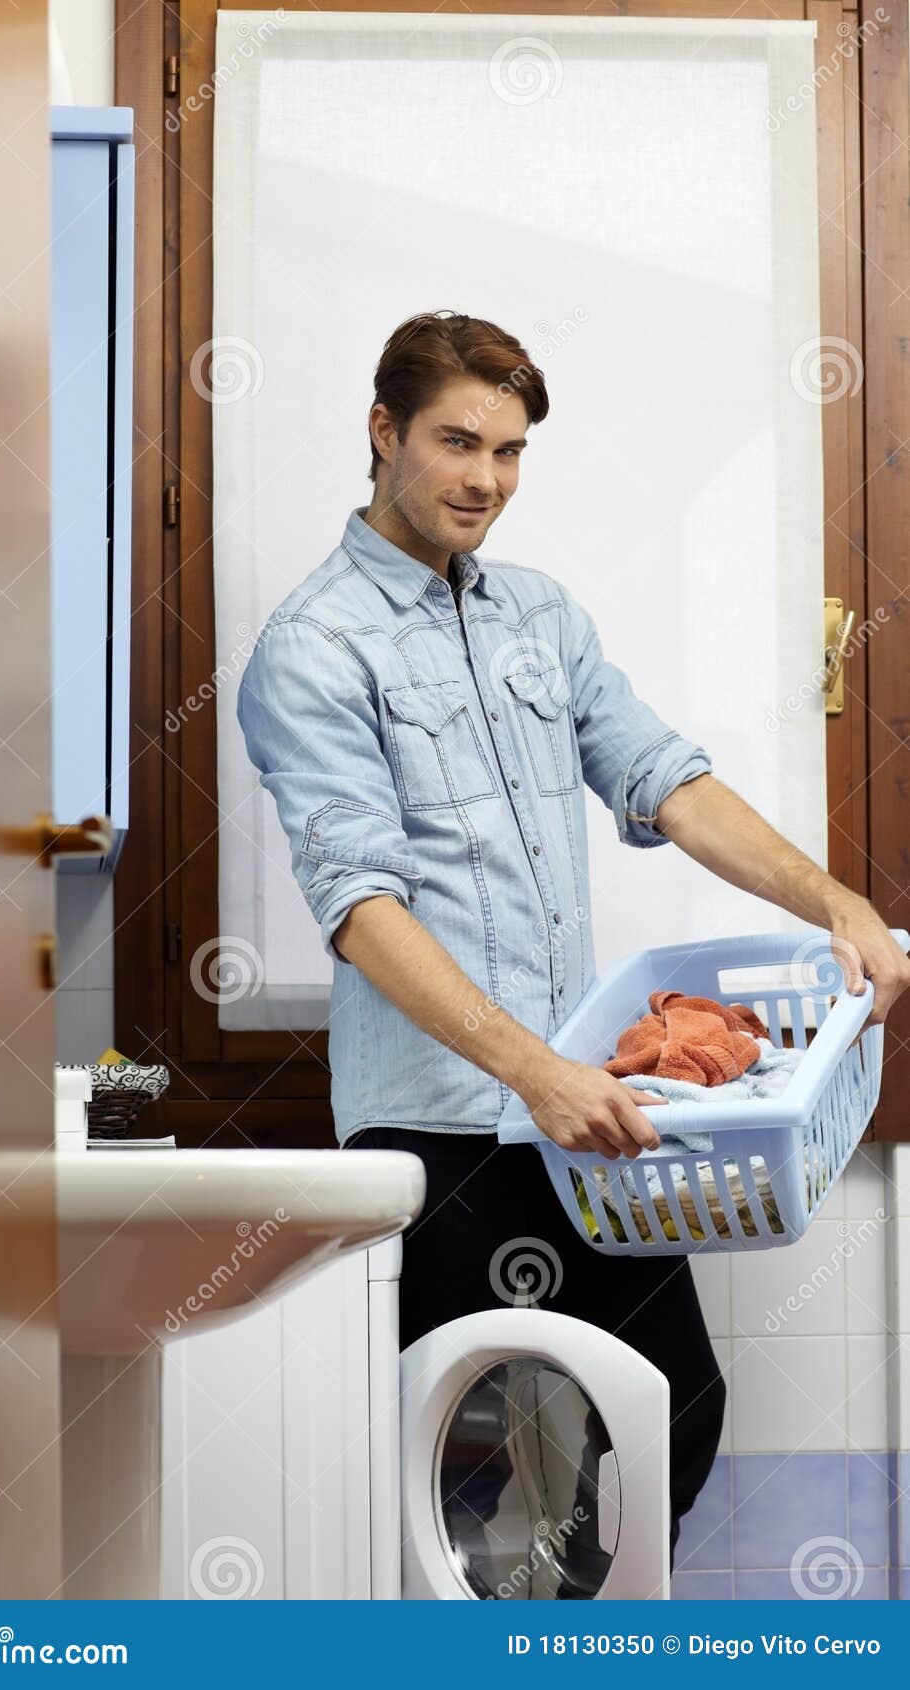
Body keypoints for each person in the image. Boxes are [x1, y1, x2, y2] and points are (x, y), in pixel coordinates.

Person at [236, 309, 910, 1565]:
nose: (484, 477)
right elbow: (362, 912)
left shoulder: (539, 616)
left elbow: (664, 778)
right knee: (462, 1470)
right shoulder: (313, 650)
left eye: (509, 448)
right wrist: (531, 1069)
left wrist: (832, 899)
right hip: (446, 1127)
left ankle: (562, 1625)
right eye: (455, 439)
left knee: (671, 1409)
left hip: (587, 1125)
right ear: (382, 433)